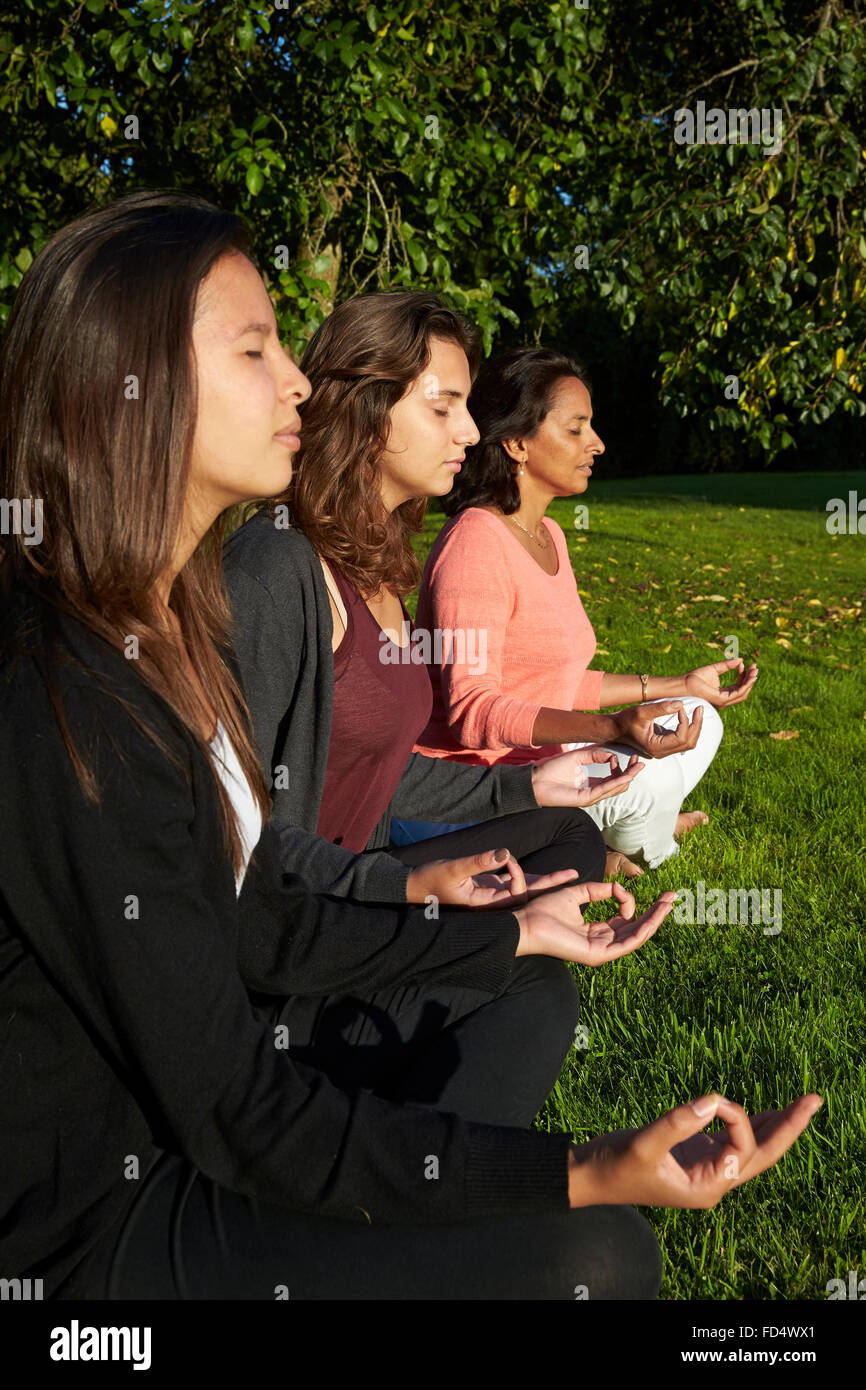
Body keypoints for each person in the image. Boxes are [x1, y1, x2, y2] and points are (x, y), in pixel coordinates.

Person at [0, 191, 819, 1302]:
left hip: (224, 1093)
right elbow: (239, 1102)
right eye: (255, 349)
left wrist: (500, 932)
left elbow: (258, 911)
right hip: (107, 1226)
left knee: (530, 981)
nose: (296, 379)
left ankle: (401, 1201)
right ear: (126, 387)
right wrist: (575, 1173)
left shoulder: (166, 633)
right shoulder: (80, 689)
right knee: (596, 1256)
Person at [224, 293, 644, 903]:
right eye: (444, 407)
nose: (473, 432)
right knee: (523, 951)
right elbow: (232, 828)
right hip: (299, 913)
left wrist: (529, 785)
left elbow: (380, 772)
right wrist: (403, 887)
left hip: (357, 879)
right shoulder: (275, 570)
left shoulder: (380, 567)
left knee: (567, 837)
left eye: (466, 408)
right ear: (366, 412)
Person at [414, 347, 758, 876]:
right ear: (516, 442)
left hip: (539, 759)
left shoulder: (547, 532)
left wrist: (682, 684)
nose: (596, 444)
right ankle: (634, 844)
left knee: (699, 718)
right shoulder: (475, 545)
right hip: (478, 790)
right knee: (655, 777)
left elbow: (554, 683)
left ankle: (632, 822)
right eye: (576, 429)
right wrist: (609, 729)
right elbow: (472, 713)